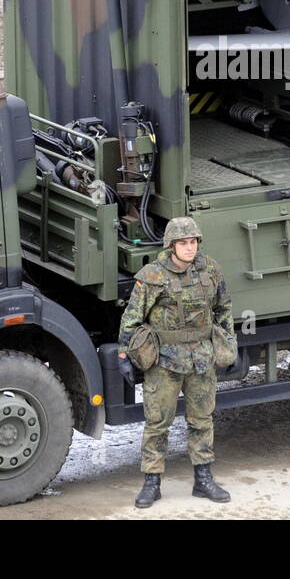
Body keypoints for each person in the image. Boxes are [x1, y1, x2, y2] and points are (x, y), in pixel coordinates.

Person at [118, 216, 234, 507]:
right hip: (164, 363)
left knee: (202, 420)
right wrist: (124, 353)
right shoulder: (152, 276)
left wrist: (228, 342)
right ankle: (152, 482)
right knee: (157, 424)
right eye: (183, 243)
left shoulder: (210, 270)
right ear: (171, 246)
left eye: (193, 241)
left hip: (201, 360)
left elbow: (223, 308)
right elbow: (131, 318)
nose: (189, 247)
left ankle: (203, 479)